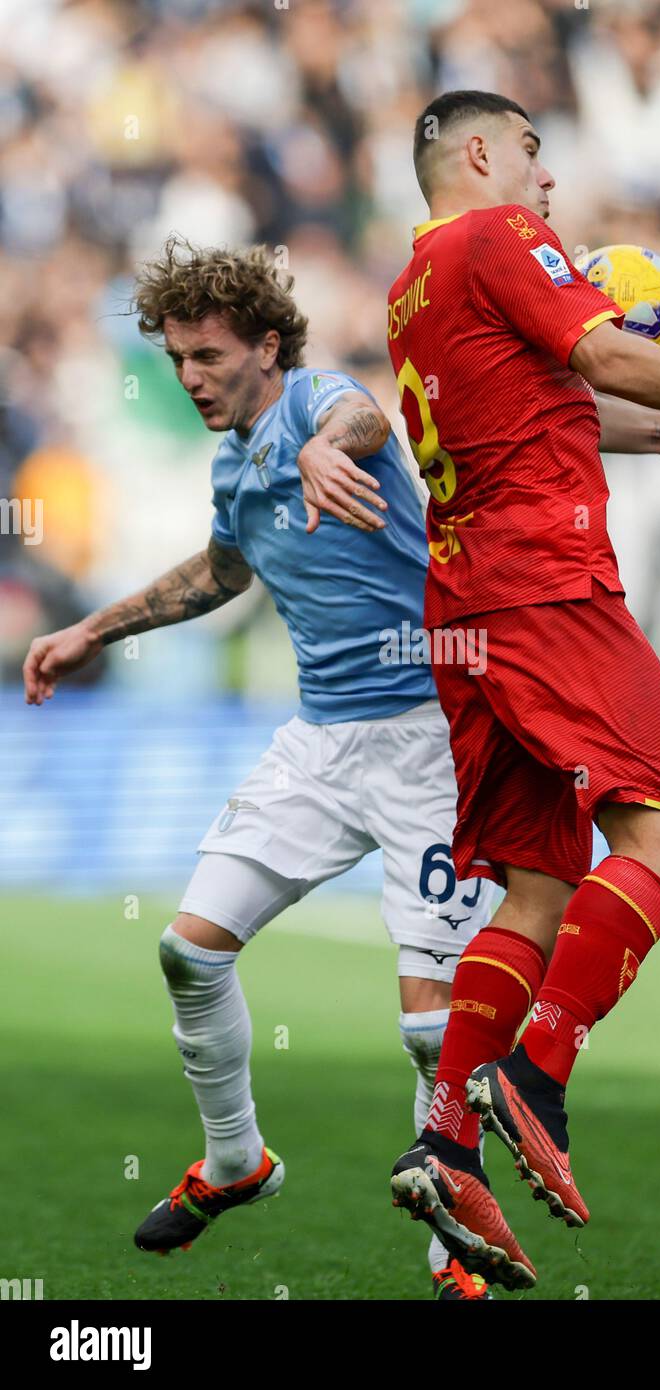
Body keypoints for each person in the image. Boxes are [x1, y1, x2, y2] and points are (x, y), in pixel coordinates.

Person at [298, 89, 660, 1292]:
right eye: (534, 155)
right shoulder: (499, 238)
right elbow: (592, 348)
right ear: (480, 152)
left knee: (536, 888)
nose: (547, 183)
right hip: (550, 589)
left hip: (464, 614)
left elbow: (535, 407)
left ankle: (443, 1136)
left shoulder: (411, 285)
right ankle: (535, 1071)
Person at [22, 237, 500, 1301]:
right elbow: (221, 570)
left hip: (429, 736)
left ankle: (449, 1247)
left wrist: (330, 447)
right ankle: (237, 1160)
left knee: (430, 1024)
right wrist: (91, 630)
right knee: (187, 952)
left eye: (207, 355)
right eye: (176, 359)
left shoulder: (318, 407)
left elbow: (360, 412)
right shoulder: (235, 462)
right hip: (320, 744)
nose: (189, 377)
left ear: (267, 345)